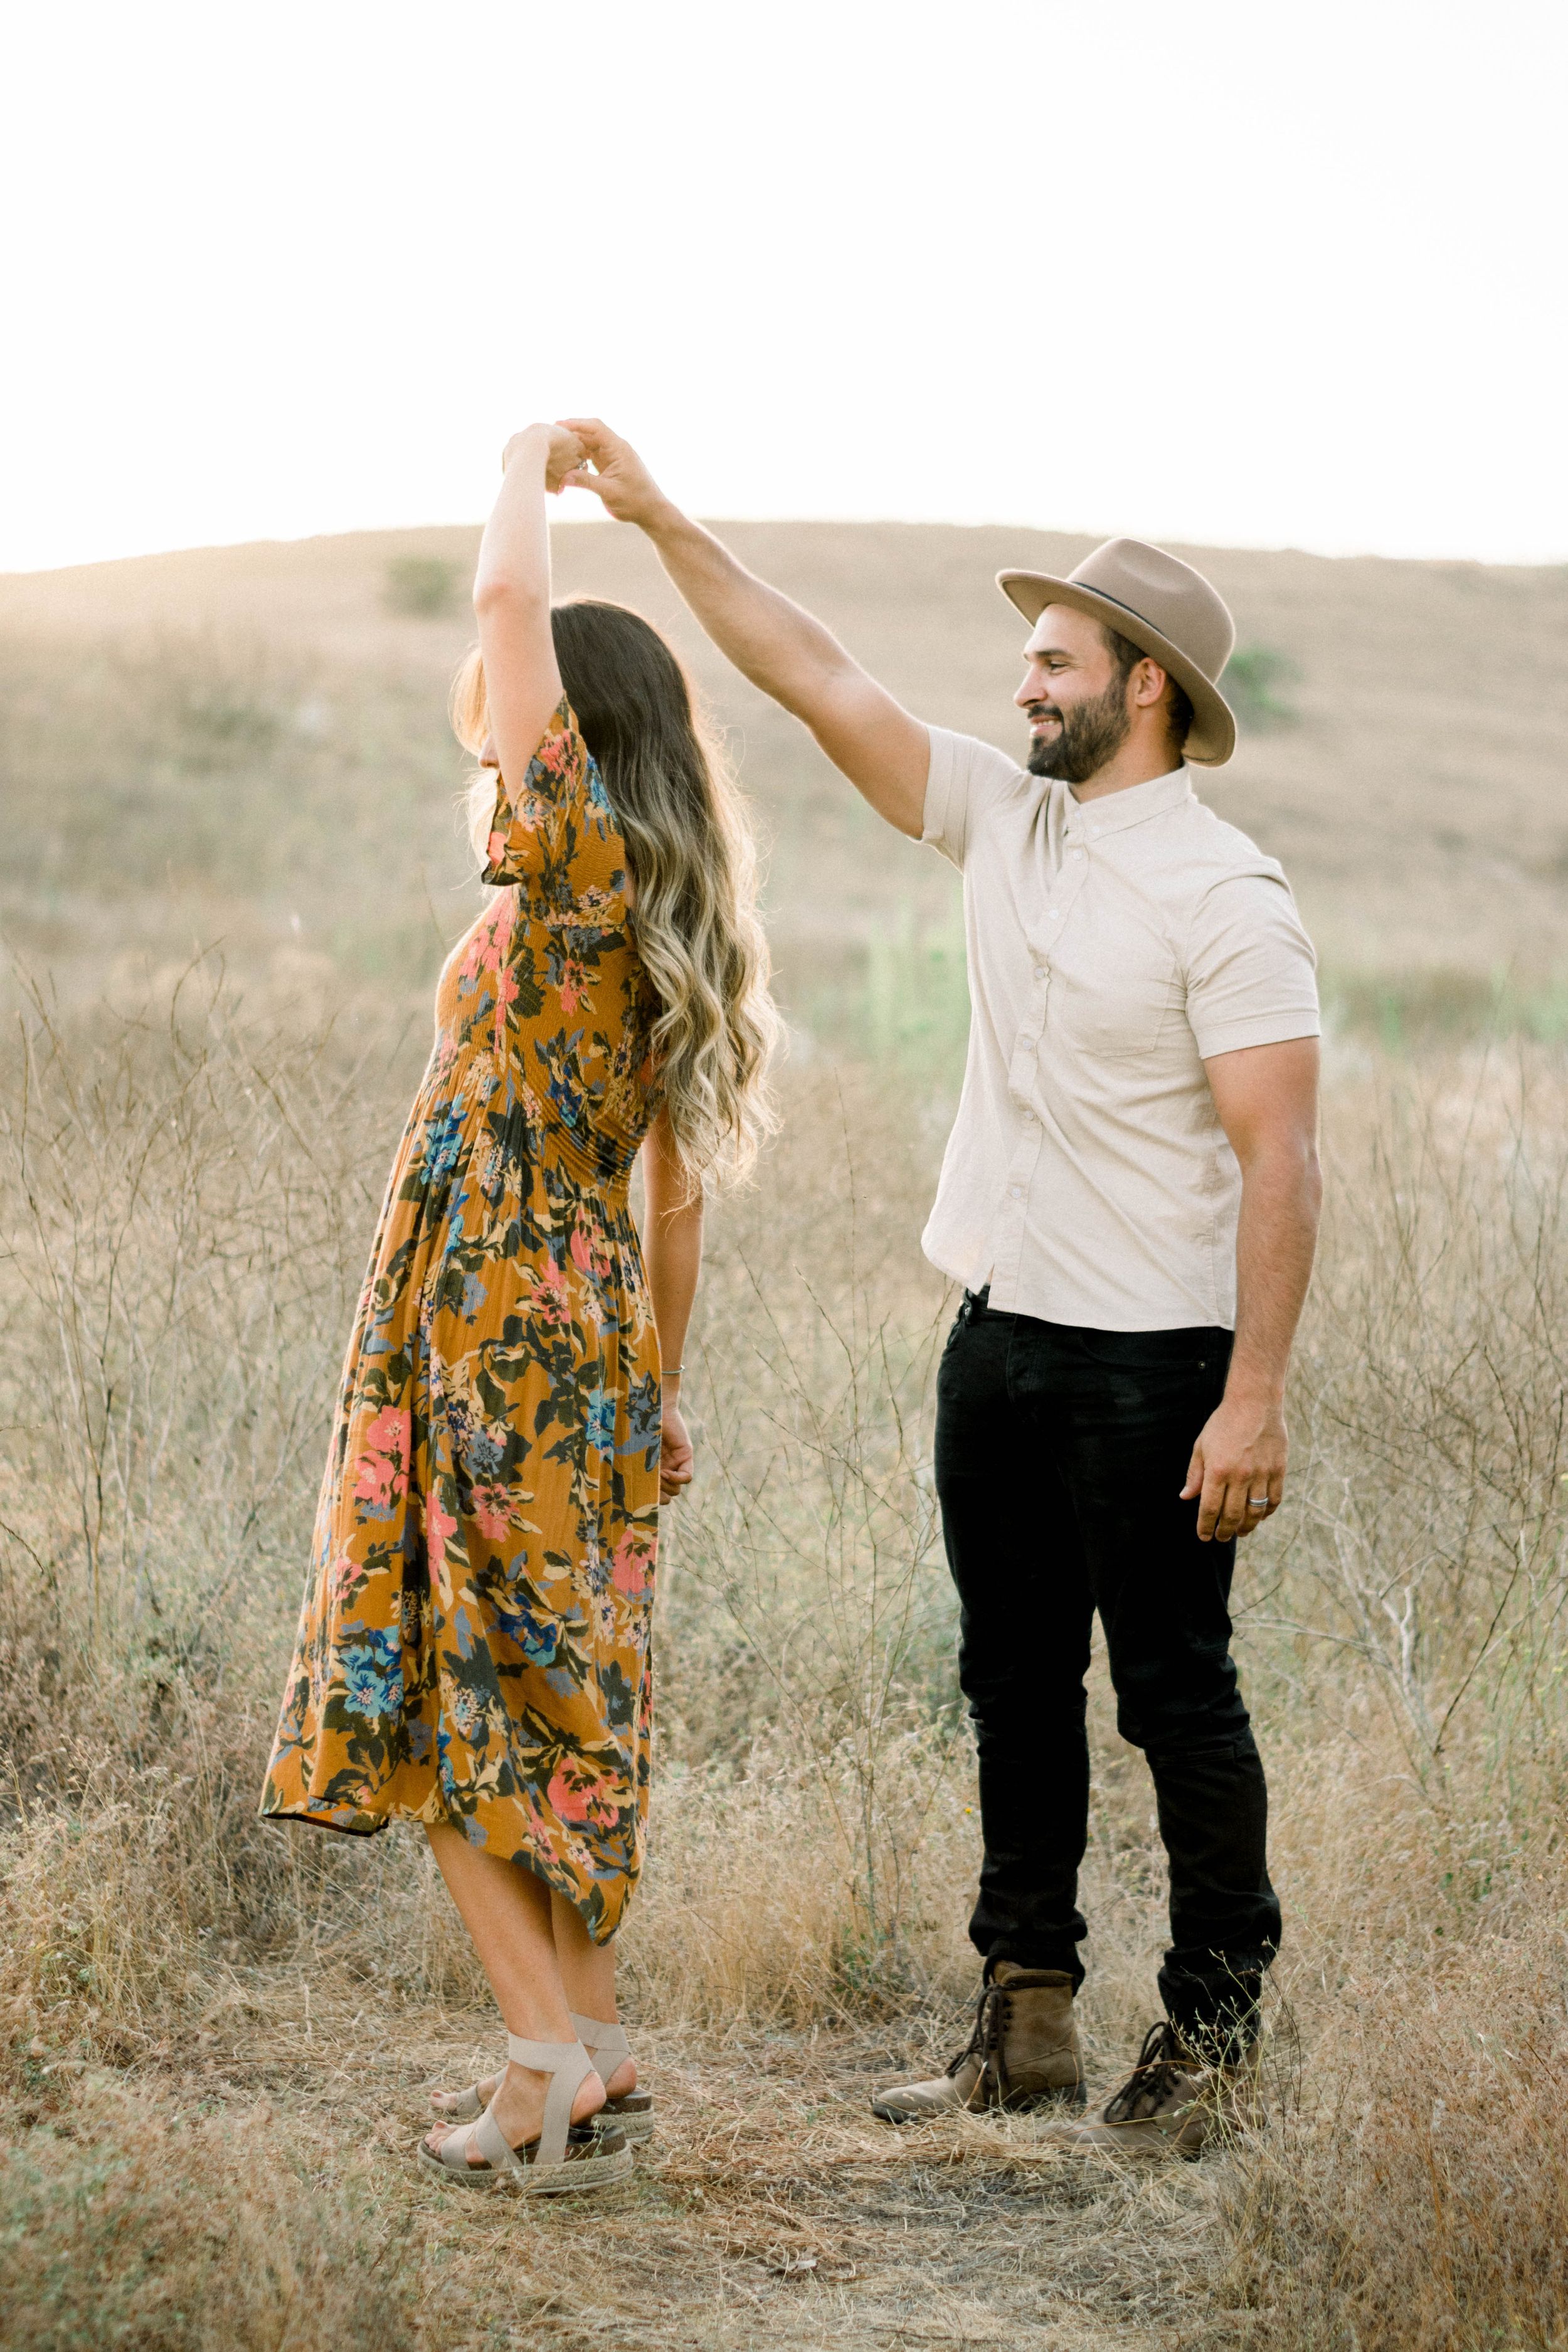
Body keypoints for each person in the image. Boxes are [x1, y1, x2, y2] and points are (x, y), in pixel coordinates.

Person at [555, 419, 1322, 2158]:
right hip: (997, 1344)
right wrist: (661, 515)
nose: (1022, 683)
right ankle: (1023, 2022)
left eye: (1053, 662)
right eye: (1024, 660)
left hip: (1156, 1364)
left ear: (1144, 688)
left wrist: (1252, 1395)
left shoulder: (1228, 895)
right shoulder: (1006, 821)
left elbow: (1281, 1160)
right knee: (1011, 1681)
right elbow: (814, 672)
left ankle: (1212, 2047)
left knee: (1172, 1698)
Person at [260, 421, 778, 2190]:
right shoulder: (656, 903)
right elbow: (676, 1206)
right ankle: (603, 2045)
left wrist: (516, 464)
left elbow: (501, 590)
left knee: (446, 1688)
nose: (479, 700)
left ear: (565, 714)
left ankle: (540, 2061)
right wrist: (660, 1394)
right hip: (579, 1334)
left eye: (511, 690)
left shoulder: (557, 858)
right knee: (555, 1689)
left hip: (477, 1322)